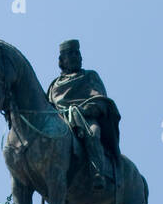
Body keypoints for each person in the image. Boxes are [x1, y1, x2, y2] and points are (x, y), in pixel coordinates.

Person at [47, 40, 121, 189]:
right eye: (71, 54)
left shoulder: (90, 76)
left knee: (93, 133)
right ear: (62, 60)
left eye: (77, 53)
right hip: (59, 121)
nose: (76, 57)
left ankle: (97, 173)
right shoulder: (54, 85)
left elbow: (100, 100)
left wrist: (84, 110)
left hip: (85, 118)